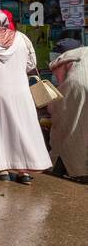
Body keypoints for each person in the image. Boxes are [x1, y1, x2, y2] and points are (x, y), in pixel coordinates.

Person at [0, 7, 52, 183]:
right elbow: (32, 63)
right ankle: (24, 171)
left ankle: (1, 169)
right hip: (20, 89)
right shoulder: (22, 38)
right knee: (22, 126)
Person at [49, 47, 88, 180]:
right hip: (80, 85)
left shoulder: (64, 58)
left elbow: (56, 107)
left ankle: (76, 169)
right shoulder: (82, 52)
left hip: (77, 86)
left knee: (67, 128)